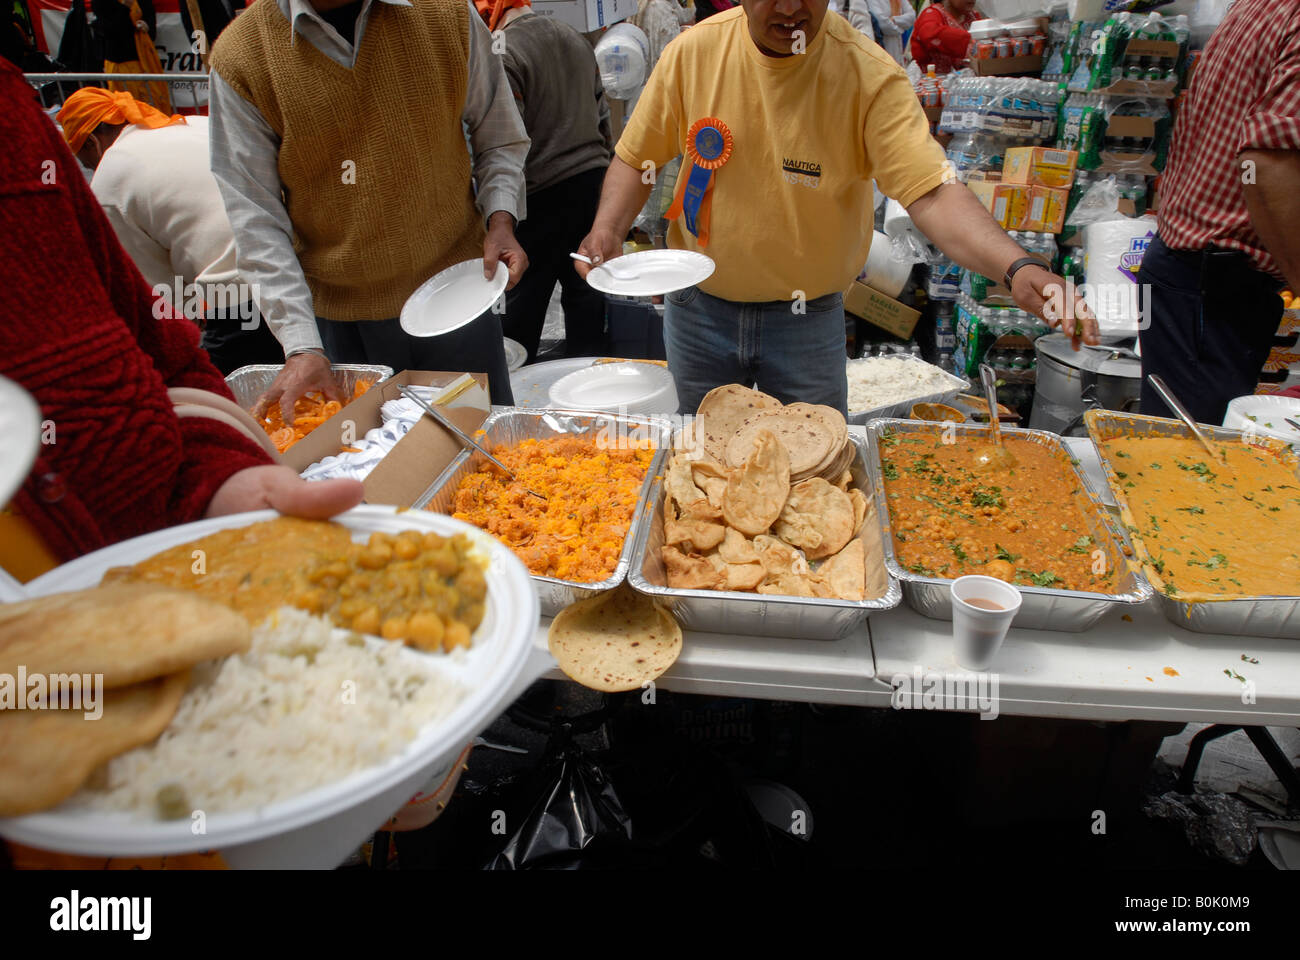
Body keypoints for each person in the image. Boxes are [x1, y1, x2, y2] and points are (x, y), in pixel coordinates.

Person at [575, 0, 1094, 415]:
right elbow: (635, 158)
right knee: (701, 467)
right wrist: (606, 230)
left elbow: (930, 191)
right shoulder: (692, 55)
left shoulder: (868, 76)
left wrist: (1017, 264)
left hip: (807, 320)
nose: (790, 8)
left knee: (813, 477)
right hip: (699, 312)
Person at [0, 58, 363, 581]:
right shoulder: (183, 123)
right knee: (279, 384)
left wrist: (213, 473)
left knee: (261, 393)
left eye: (80, 154)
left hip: (230, 293)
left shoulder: (106, 177)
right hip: (292, 276)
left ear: (93, 141)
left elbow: (152, 302)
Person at [207, 0, 529, 421]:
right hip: (343, 328)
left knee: (486, 456)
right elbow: (256, 219)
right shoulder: (243, 57)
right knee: (375, 472)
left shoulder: (446, 14)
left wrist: (500, 219)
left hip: (459, 299)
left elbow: (500, 138)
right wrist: (302, 344)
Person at [1136, 0, 1300, 425]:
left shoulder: (1262, 5)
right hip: (1213, 287)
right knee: (1191, 460)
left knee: (1175, 442)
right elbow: (1266, 165)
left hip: (1185, 272)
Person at [56, 87, 284, 375]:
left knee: (240, 397)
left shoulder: (108, 181)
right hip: (296, 259)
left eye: (87, 161)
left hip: (240, 290)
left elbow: (164, 296)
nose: (92, 169)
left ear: (92, 142)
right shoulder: (190, 123)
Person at [477, 0, 613, 363]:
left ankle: (516, 403)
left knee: (521, 311)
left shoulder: (503, 50)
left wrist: (496, 213)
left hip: (538, 194)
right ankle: (591, 394)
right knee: (586, 296)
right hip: (591, 182)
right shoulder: (574, 38)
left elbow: (503, 143)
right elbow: (603, 117)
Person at [90, 0, 172, 112]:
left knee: (154, 104)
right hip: (120, 63)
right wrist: (125, 8)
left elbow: (150, 25)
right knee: (127, 110)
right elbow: (109, 30)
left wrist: (145, 25)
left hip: (145, 58)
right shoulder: (101, 2)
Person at [910, 0, 975, 74]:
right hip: (935, 82)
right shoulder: (931, 14)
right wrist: (969, 40)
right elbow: (929, 33)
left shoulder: (972, 16)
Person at [859, 0, 914, 65]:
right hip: (883, 53)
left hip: (898, 53)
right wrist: (901, 29)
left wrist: (894, 19)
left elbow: (912, 17)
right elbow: (883, 25)